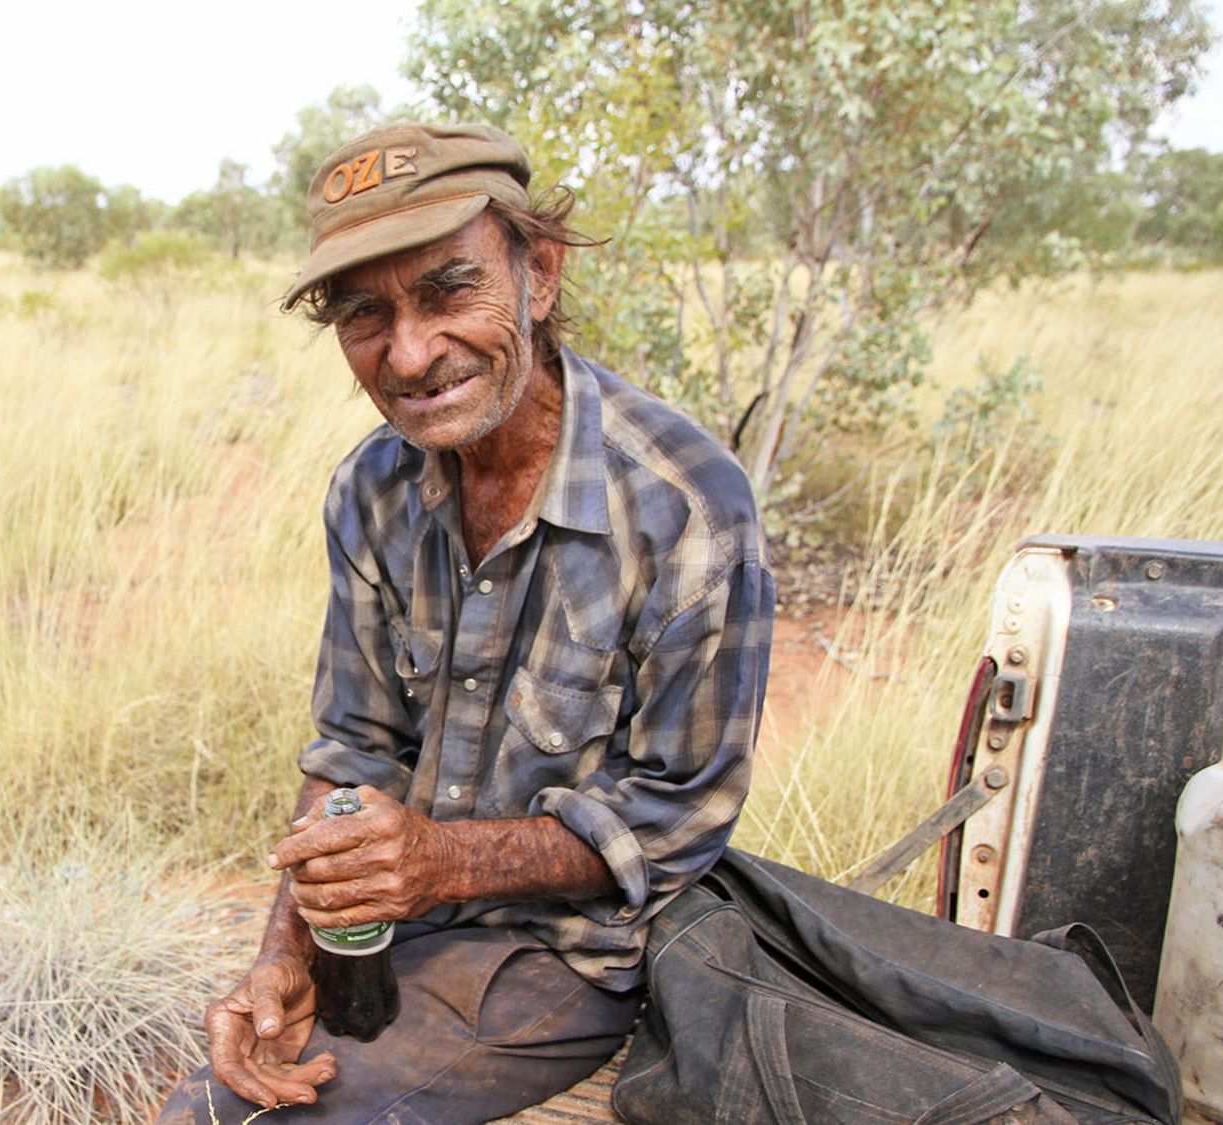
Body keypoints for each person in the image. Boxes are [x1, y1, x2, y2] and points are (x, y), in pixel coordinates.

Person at [157, 123, 774, 1124]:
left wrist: (445, 864)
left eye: (448, 291)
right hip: (396, 929)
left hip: (567, 950)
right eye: (365, 315)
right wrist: (281, 952)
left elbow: (679, 812)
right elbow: (353, 746)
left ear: (538, 271)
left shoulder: (682, 500)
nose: (408, 353)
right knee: (225, 1086)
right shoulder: (372, 485)